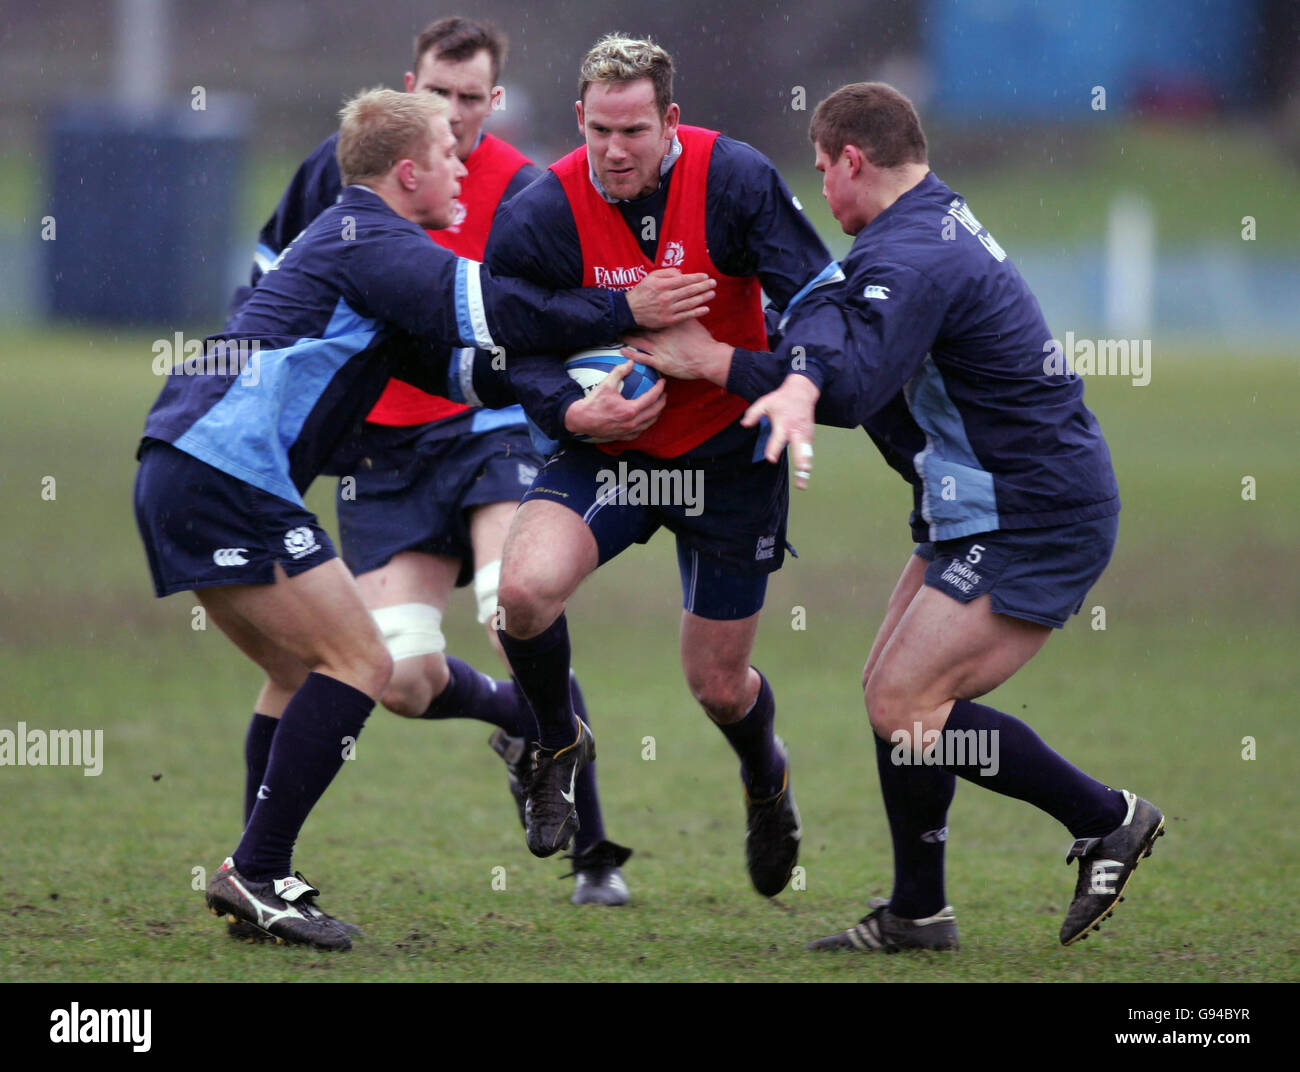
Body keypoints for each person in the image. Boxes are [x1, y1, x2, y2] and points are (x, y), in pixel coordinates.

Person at [134, 88, 709, 949]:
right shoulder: (372, 237)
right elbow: (501, 312)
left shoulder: (363, 251)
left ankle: (261, 875)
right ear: (408, 172)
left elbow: (469, 371)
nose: (463, 167)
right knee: (365, 661)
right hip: (223, 471)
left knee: (301, 672)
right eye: (449, 153)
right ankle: (257, 873)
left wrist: (571, 409)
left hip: (185, 465)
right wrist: (626, 309)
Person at [626, 81, 1164, 950]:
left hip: (1031, 508)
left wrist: (718, 360)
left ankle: (1106, 818)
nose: (821, 195)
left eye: (821, 172)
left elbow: (852, 389)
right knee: (893, 697)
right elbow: (841, 335)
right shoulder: (923, 225)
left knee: (907, 705)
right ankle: (919, 912)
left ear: (852, 161)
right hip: (981, 500)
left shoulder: (911, 253)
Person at [226, 18, 673, 908]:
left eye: (473, 99)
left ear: (495, 100)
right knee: (400, 674)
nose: (457, 117)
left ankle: (591, 849)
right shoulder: (346, 167)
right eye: (440, 96)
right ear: (411, 84)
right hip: (380, 446)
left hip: (488, 424)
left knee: (517, 600)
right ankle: (518, 722)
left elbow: (533, 310)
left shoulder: (523, 184)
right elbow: (270, 272)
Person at [484, 34, 842, 894]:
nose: (615, 149)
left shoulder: (737, 180)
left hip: (727, 458)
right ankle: (558, 741)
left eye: (635, 130)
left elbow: (821, 298)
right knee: (521, 595)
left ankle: (766, 776)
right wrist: (571, 409)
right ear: (579, 119)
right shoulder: (543, 207)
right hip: (608, 451)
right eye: (600, 129)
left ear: (670, 121)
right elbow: (510, 338)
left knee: (718, 686)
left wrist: (780, 379)